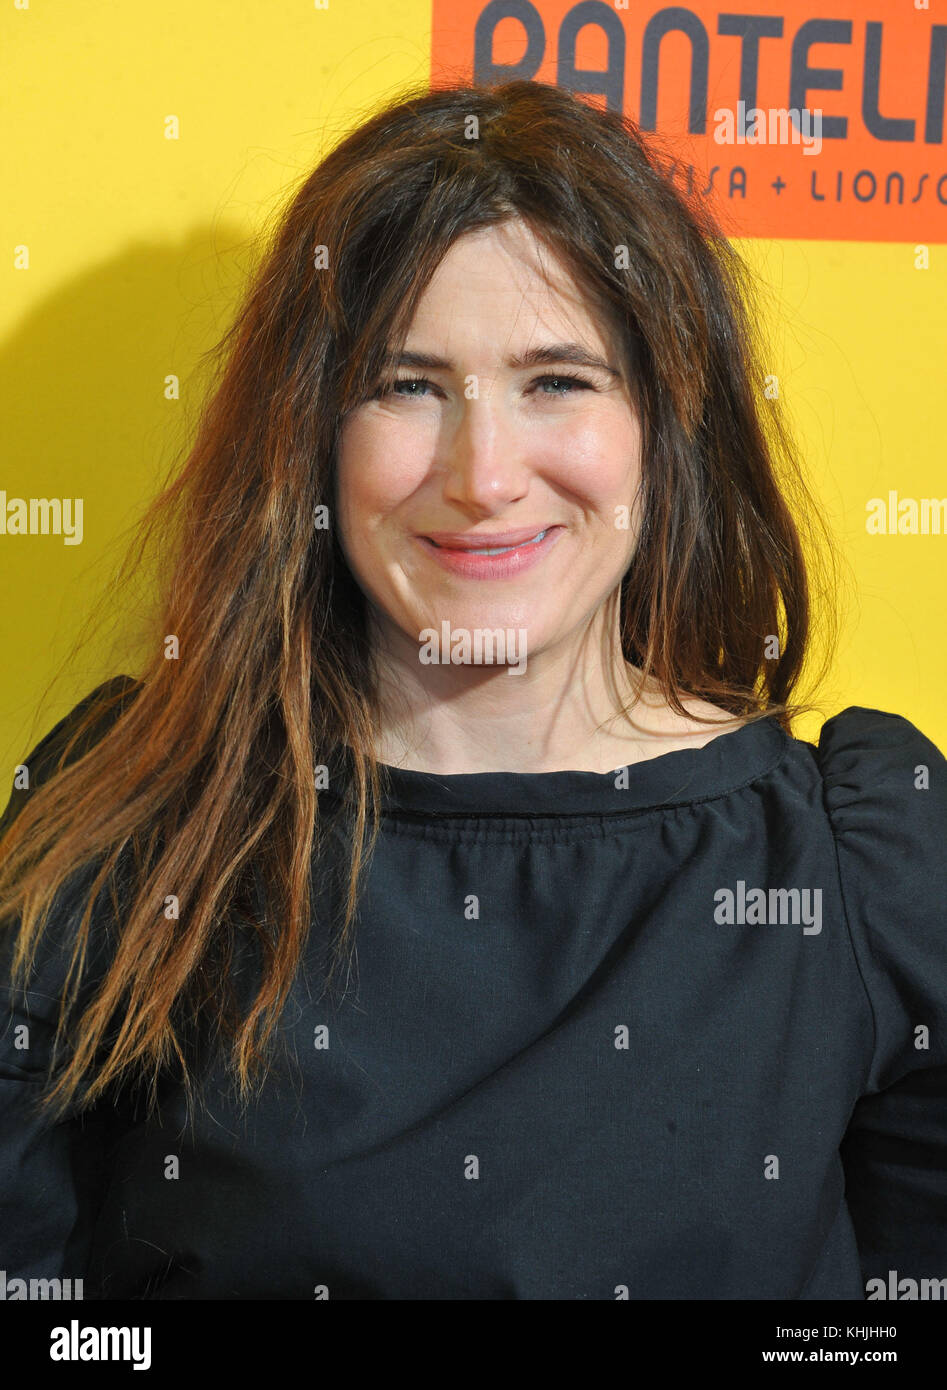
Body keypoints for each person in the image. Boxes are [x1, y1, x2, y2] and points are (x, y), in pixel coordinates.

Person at [1, 78, 944, 1302]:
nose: (483, 474)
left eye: (557, 380)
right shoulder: (133, 827)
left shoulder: (853, 868)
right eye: (406, 385)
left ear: (666, 425)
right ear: (312, 439)